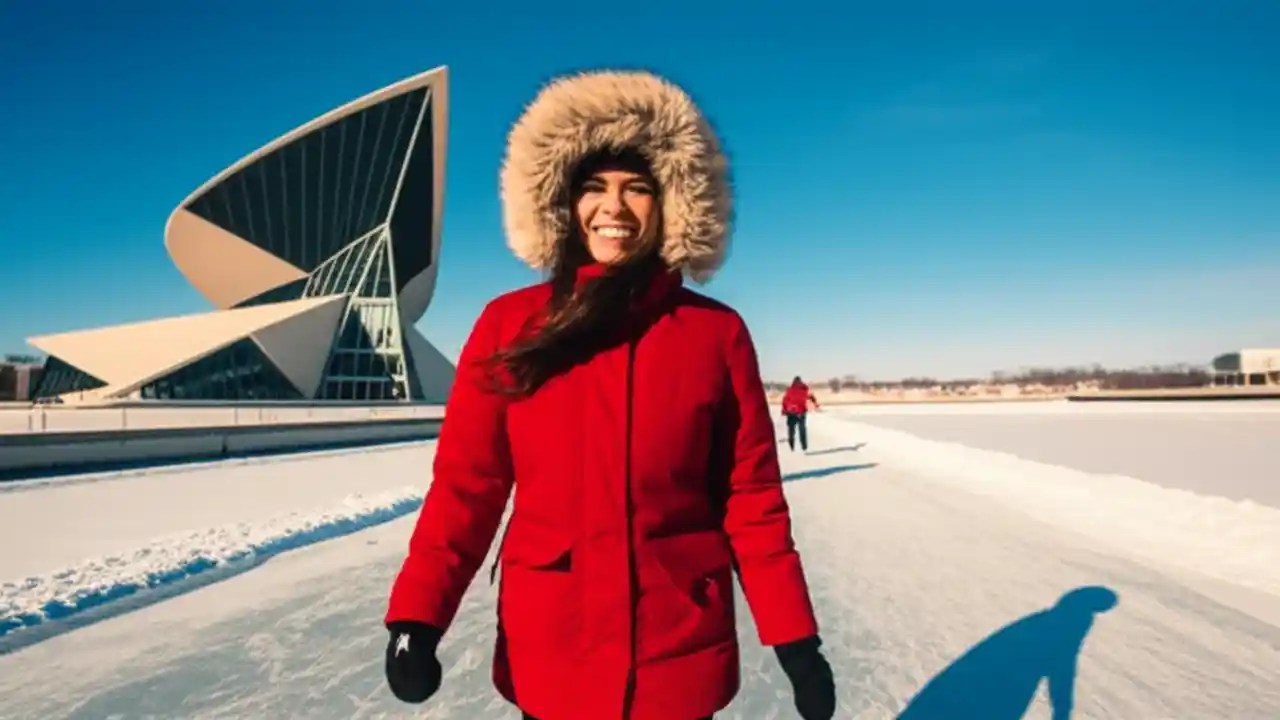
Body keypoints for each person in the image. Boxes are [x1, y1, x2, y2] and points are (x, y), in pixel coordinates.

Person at [382, 70, 836, 720]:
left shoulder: (716, 334)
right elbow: (468, 487)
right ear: (560, 203)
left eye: (637, 189)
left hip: (678, 647)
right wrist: (419, 617)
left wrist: (796, 640)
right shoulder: (509, 325)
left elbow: (750, 500)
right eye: (592, 188)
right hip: (555, 646)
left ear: (672, 201)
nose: (614, 210)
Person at [781, 376, 820, 452]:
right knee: (802, 429)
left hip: (791, 411)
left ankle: (791, 444)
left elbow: (785, 400)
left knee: (791, 430)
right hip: (801, 411)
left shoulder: (789, 390)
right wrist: (815, 404)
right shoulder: (804, 389)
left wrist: (783, 410)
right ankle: (804, 446)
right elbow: (811, 396)